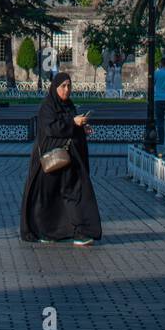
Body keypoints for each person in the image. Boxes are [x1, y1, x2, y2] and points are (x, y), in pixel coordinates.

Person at [20, 72, 102, 245]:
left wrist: (82, 128)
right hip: (50, 159)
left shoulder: (68, 105)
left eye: (69, 86)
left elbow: (70, 126)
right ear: (54, 88)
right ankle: (47, 232)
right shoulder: (47, 107)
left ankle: (81, 231)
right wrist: (73, 123)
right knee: (48, 197)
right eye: (63, 86)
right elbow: (53, 129)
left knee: (76, 193)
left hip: (70, 161)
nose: (66, 90)